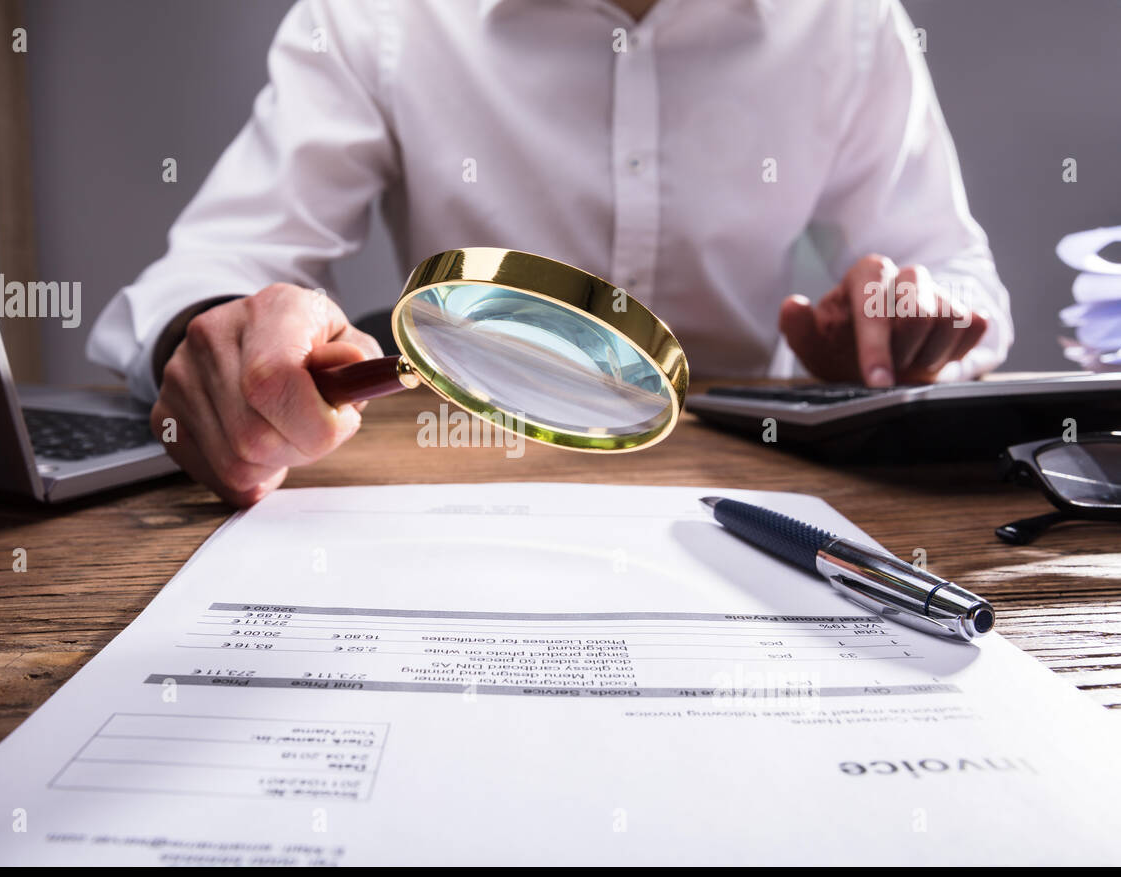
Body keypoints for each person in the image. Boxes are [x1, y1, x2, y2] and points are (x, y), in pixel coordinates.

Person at [88, 0, 1012, 506]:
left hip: (765, 478)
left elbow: (961, 279)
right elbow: (211, 268)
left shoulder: (847, 23)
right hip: (463, 482)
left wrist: (897, 342)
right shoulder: (376, 17)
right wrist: (215, 334)